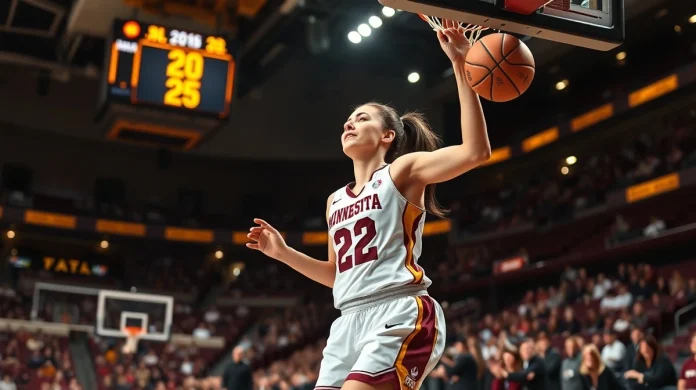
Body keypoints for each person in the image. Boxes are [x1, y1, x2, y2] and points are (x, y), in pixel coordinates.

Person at [245, 19, 490, 390]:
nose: (350, 123)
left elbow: (475, 151)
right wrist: (282, 253)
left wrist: (459, 64)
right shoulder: (335, 200)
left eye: (362, 118)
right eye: (348, 119)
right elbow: (336, 275)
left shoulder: (402, 172)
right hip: (348, 320)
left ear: (387, 136)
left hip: (400, 309)